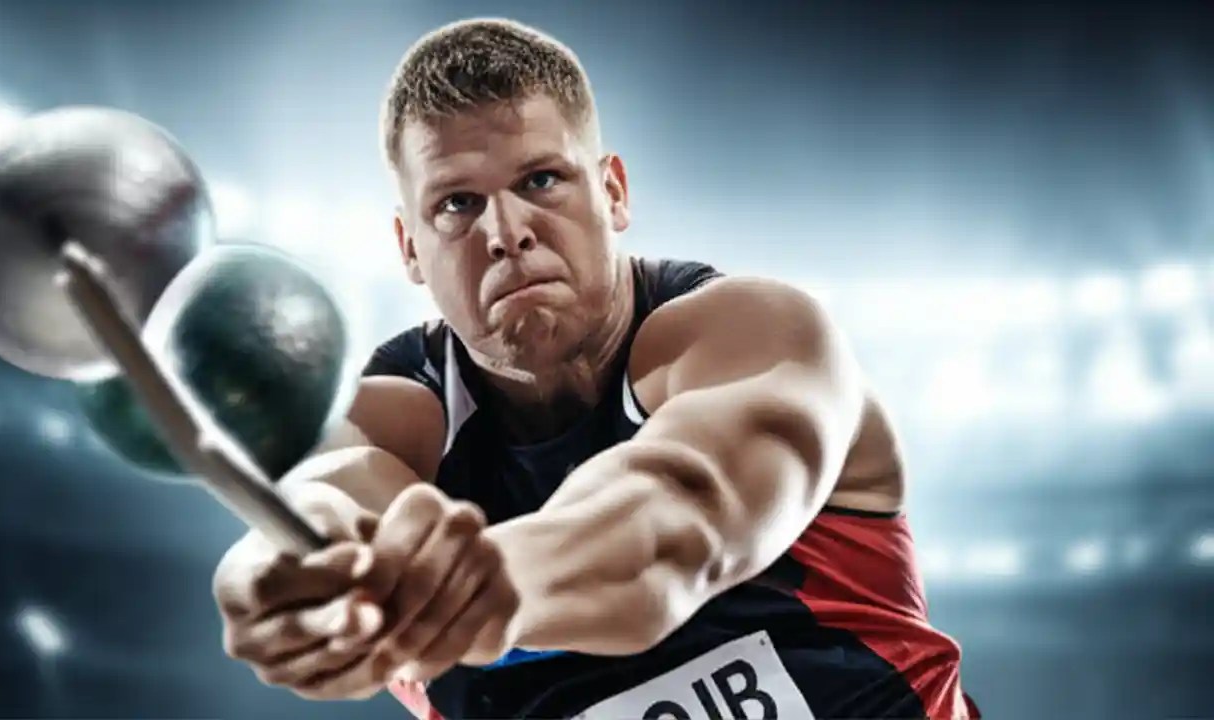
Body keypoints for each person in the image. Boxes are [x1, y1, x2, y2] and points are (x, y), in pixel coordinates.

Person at [212, 17, 976, 720]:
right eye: (456, 205)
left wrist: (474, 589)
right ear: (410, 247)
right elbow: (316, 511)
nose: (507, 232)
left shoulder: (756, 337)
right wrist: (290, 593)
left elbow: (667, 537)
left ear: (611, 191)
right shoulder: (378, 421)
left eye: (540, 180)